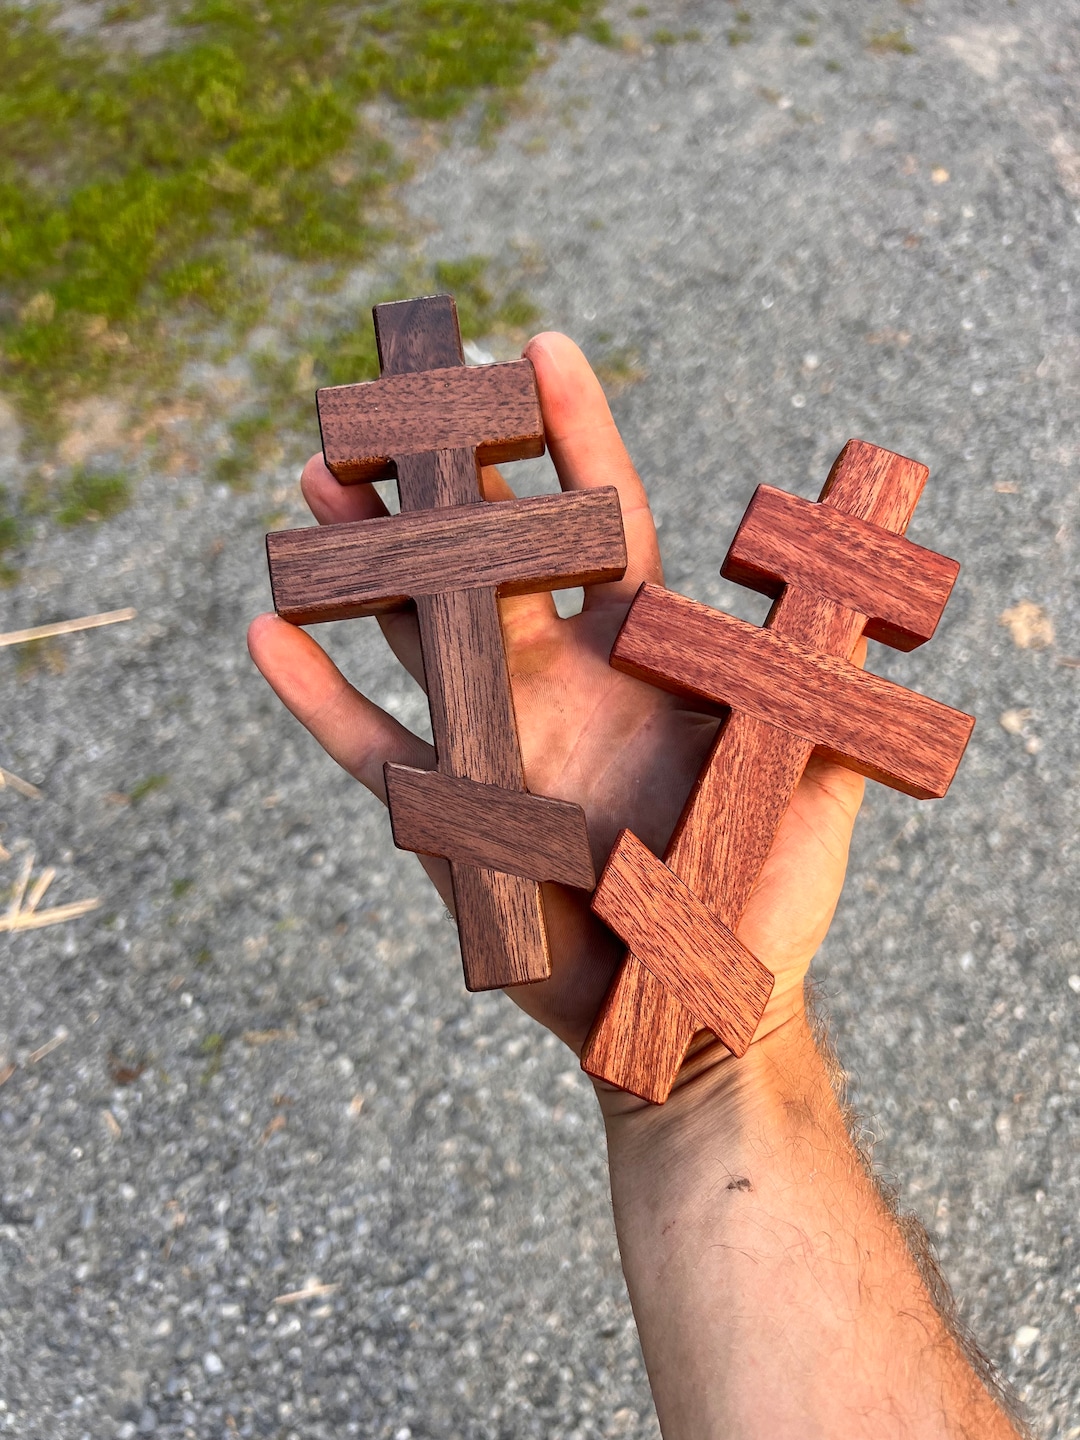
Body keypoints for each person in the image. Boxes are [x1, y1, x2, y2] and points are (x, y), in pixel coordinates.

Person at [248, 333, 1026, 1438]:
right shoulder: (679, 636)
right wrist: (719, 1070)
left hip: (681, 955)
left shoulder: (766, 654)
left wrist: (719, 1061)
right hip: (660, 959)